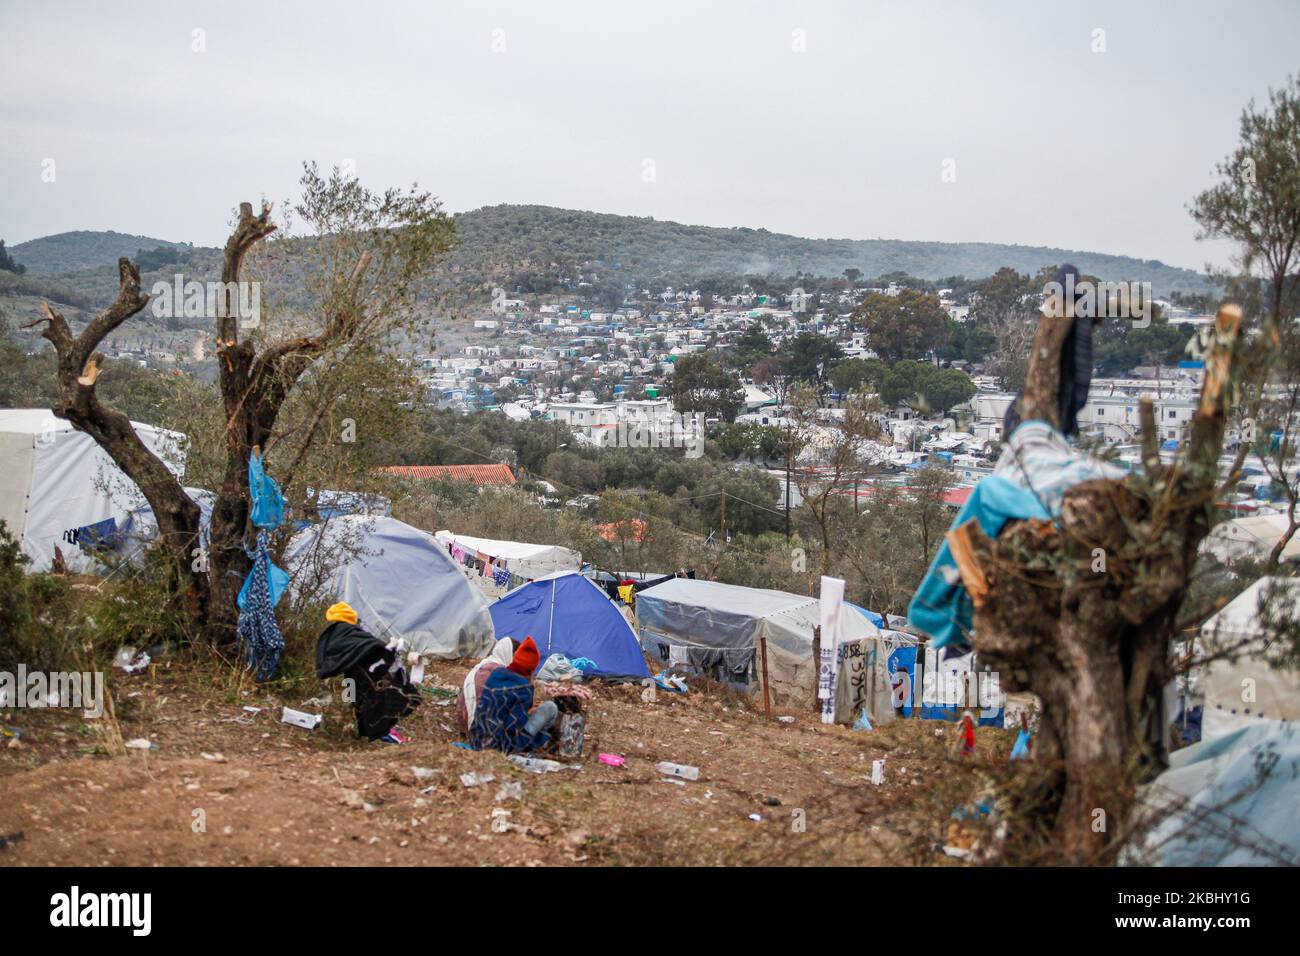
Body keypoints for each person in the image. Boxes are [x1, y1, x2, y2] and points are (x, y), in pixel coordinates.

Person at [315, 602, 420, 743]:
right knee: (359, 697)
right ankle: (366, 728)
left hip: (354, 678)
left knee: (354, 697)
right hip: (363, 679)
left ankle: (359, 726)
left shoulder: (337, 635)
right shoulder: (355, 635)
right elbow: (373, 648)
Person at [468, 636, 558, 753]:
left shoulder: (496, 674)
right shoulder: (524, 688)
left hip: (476, 740)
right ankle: (544, 744)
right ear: (531, 668)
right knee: (550, 708)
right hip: (501, 747)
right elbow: (514, 726)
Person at [457, 636, 516, 735]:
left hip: (464, 722)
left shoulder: (483, 665)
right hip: (481, 730)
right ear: (509, 654)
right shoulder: (500, 673)